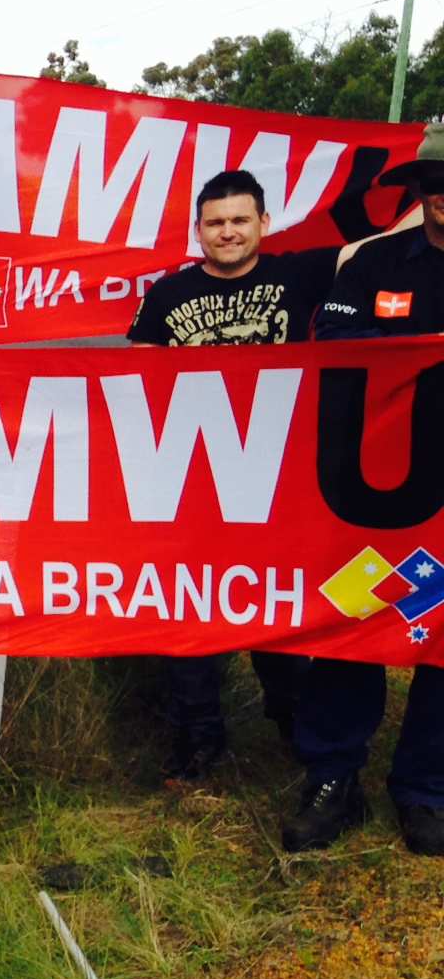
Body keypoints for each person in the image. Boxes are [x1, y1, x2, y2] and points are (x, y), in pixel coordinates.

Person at [127, 170, 333, 780]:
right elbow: (138, 382)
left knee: (279, 604)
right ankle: (199, 739)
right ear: (198, 231)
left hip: (278, 478)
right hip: (192, 479)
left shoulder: (298, 274)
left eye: (240, 220)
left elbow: (369, 248)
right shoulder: (167, 295)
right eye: (215, 223)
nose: (228, 232)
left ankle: (297, 728)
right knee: (189, 611)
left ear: (263, 224)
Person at [286, 125, 444, 855]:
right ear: (421, 192)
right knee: (352, 627)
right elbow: (333, 354)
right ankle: (333, 775)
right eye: (436, 184)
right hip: (377, 490)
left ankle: (426, 789)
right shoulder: (374, 264)